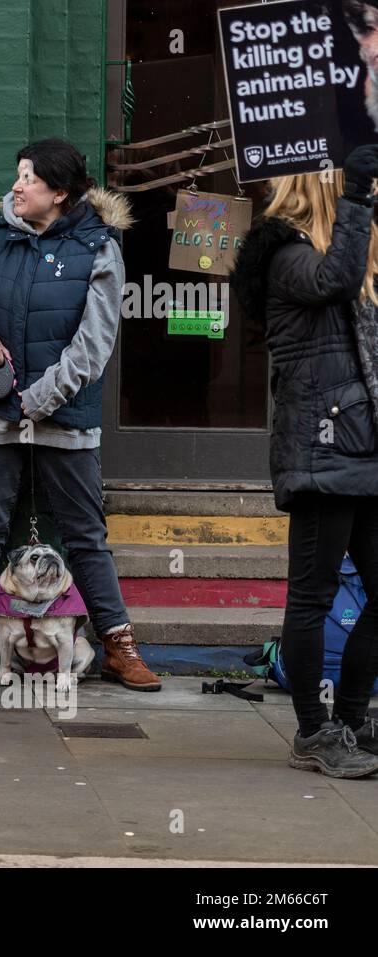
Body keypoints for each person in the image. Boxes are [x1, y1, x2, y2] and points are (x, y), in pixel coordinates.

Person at [0, 137, 161, 693]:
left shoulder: (100, 249)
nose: (16, 186)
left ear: (59, 192)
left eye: (29, 178)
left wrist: (36, 400)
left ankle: (117, 643)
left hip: (64, 419)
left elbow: (95, 342)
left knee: (85, 534)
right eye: (18, 175)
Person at [231, 146, 378, 777]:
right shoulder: (287, 257)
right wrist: (359, 196)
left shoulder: (347, 255)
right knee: (312, 596)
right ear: (324, 191)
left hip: (363, 449)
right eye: (344, 187)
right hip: (320, 450)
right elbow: (335, 281)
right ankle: (313, 733)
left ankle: (350, 720)